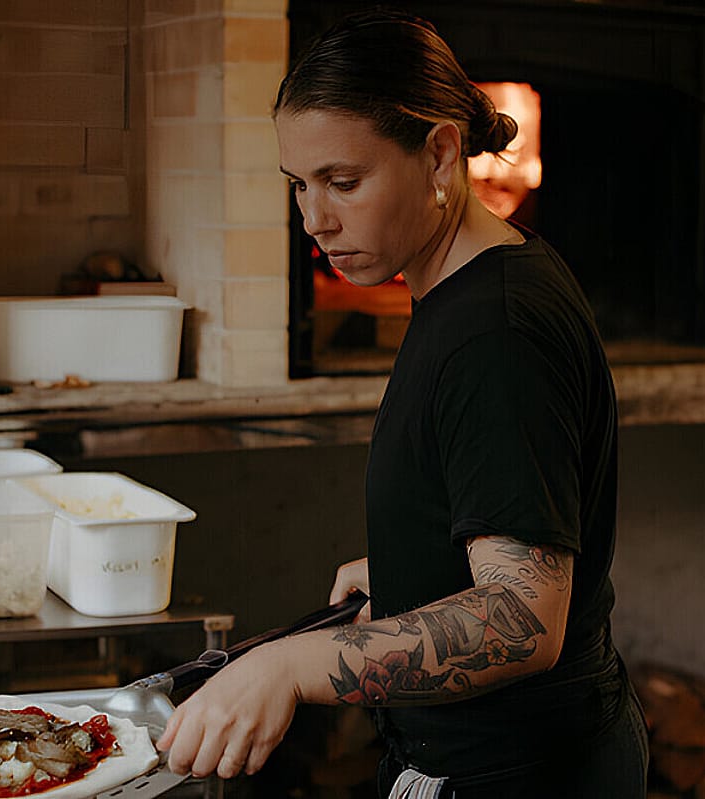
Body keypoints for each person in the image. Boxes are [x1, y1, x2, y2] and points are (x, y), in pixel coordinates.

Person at [156, 9, 648, 797]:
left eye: (343, 182)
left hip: (520, 775)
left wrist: (290, 668)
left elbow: (523, 619)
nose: (315, 220)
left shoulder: (498, 329)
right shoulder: (469, 285)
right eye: (300, 186)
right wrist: (415, 570)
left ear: (441, 153)